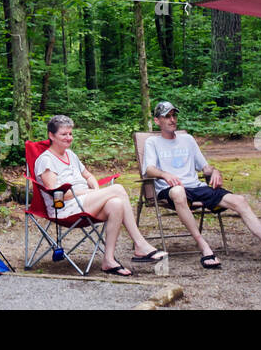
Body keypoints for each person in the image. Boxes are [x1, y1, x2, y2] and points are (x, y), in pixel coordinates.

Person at [143, 101, 261, 269]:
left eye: (174, 115)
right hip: (170, 190)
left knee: (239, 200)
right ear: (157, 121)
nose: (172, 120)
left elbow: (205, 167)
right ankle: (205, 248)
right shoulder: (152, 142)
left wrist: (215, 172)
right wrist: (164, 174)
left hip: (196, 187)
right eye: (167, 116)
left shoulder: (187, 139)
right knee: (178, 191)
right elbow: (149, 169)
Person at [35, 114, 167, 276]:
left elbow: (89, 176)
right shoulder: (46, 160)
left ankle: (109, 260)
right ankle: (140, 244)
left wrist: (96, 189)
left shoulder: (71, 155)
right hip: (65, 208)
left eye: (70, 134)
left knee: (116, 204)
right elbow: (57, 195)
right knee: (117, 189)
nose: (68, 138)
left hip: (85, 201)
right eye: (63, 134)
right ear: (51, 135)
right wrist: (92, 193)